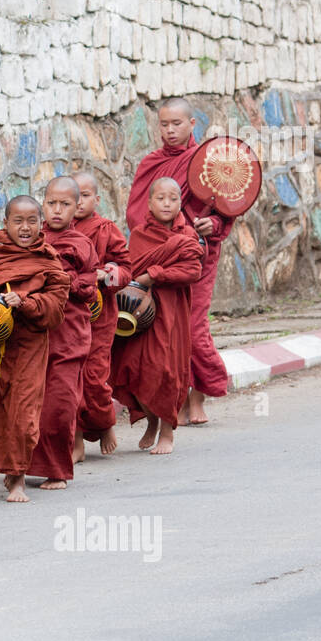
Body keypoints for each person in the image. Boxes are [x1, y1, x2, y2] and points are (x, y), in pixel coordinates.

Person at [126, 97, 228, 426]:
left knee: (194, 328)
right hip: (157, 253)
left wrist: (212, 225)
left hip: (197, 253)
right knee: (167, 330)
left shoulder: (208, 161)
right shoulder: (151, 164)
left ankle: (199, 395)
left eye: (177, 124)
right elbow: (135, 211)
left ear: (192, 124)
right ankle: (177, 399)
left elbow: (228, 206)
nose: (170, 131)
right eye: (164, 125)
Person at [0, 196, 69, 503]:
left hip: (30, 346)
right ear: (5, 224)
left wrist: (27, 303)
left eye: (31, 221)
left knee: (23, 411)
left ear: (41, 224)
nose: (24, 228)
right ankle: (10, 466)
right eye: (17, 221)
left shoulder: (48, 261)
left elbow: (56, 309)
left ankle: (18, 477)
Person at [110, 178, 204, 455]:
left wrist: (155, 275)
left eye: (173, 199)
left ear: (179, 203)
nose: (166, 204)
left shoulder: (186, 236)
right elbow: (131, 269)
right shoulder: (139, 234)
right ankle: (150, 419)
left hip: (172, 311)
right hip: (140, 312)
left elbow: (193, 271)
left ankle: (166, 431)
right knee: (133, 367)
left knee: (167, 370)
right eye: (160, 198)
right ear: (149, 203)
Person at [29, 177, 99, 490]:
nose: (57, 210)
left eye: (65, 204)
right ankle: (20, 465)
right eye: (51, 203)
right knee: (26, 403)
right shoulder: (29, 239)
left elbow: (88, 288)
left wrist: (58, 279)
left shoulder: (82, 244)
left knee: (59, 403)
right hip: (32, 333)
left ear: (76, 208)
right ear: (42, 204)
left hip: (69, 334)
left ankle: (57, 469)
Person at [71, 172, 132, 460]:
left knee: (94, 377)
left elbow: (125, 269)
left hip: (100, 316)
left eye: (85, 195)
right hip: (68, 317)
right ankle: (76, 440)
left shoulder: (106, 229)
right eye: (74, 196)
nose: (78, 201)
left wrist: (104, 275)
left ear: (96, 199)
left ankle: (105, 422)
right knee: (68, 379)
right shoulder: (53, 230)